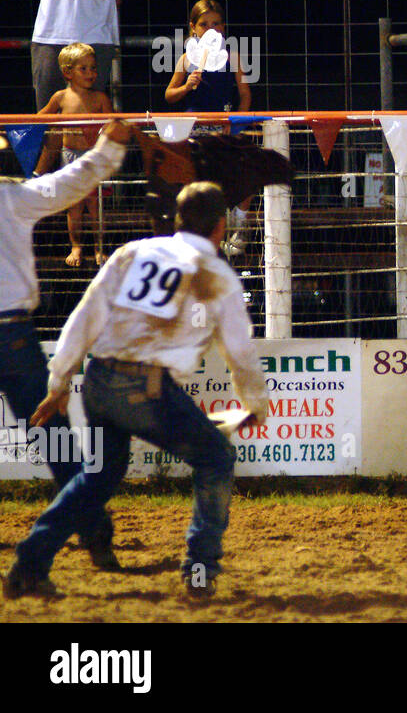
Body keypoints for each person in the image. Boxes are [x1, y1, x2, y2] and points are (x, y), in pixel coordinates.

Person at [3, 181, 269, 600]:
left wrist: (59, 382)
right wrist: (255, 404)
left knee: (99, 475)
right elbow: (240, 350)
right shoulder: (217, 274)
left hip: (99, 380)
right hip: (146, 389)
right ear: (220, 228)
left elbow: (86, 314)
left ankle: (29, 564)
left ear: (177, 220)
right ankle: (199, 571)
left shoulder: (134, 252)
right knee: (216, 459)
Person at [0, 119, 132, 576]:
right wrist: (110, 149)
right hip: (11, 332)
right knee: (56, 441)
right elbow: (71, 182)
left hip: (12, 332)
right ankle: (97, 539)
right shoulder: (11, 198)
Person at [164, 0, 255, 254]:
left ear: (223, 28)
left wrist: (235, 121)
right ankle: (197, 235)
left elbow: (245, 94)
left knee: (244, 172)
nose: (211, 29)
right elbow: (169, 95)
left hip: (224, 126)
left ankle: (239, 227)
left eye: (216, 24)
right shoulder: (186, 59)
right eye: (204, 24)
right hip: (194, 130)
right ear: (193, 28)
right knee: (196, 185)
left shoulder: (233, 57)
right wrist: (186, 86)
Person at [34, 44, 117, 267]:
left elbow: (114, 125)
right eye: (84, 69)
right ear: (67, 73)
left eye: (93, 68)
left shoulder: (100, 98)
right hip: (69, 156)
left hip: (93, 156)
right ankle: (76, 246)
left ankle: (99, 247)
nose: (91, 73)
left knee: (95, 205)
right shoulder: (60, 98)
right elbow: (38, 118)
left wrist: (99, 132)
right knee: (75, 206)